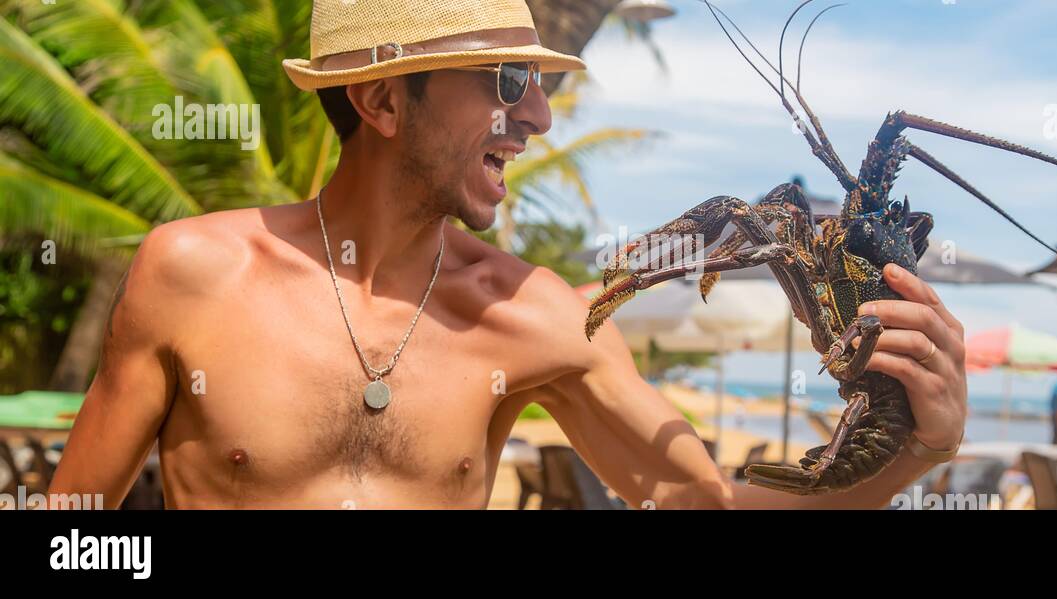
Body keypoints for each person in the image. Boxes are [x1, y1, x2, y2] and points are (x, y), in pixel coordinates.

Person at [48, 0, 966, 509]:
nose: (538, 116)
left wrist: (919, 453)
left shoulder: (536, 315)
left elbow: (708, 511)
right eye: (510, 81)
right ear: (379, 101)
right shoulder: (193, 274)